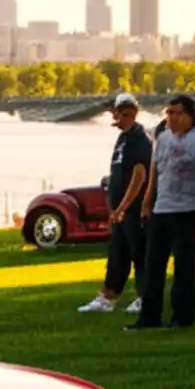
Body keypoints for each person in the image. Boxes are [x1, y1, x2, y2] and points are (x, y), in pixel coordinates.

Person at [131, 95, 195, 331]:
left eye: (178, 113)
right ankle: (149, 318)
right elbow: (155, 172)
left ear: (189, 116)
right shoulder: (162, 138)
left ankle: (182, 317)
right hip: (161, 209)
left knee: (184, 267)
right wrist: (147, 202)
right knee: (153, 266)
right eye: (169, 113)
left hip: (186, 211)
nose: (172, 118)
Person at [79, 94, 152, 315]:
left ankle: (146, 297)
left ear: (130, 113)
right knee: (117, 254)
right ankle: (108, 297)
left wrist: (124, 206)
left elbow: (139, 175)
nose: (116, 117)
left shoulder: (140, 140)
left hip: (134, 210)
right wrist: (113, 207)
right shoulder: (122, 139)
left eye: (119, 113)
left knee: (139, 253)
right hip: (120, 212)